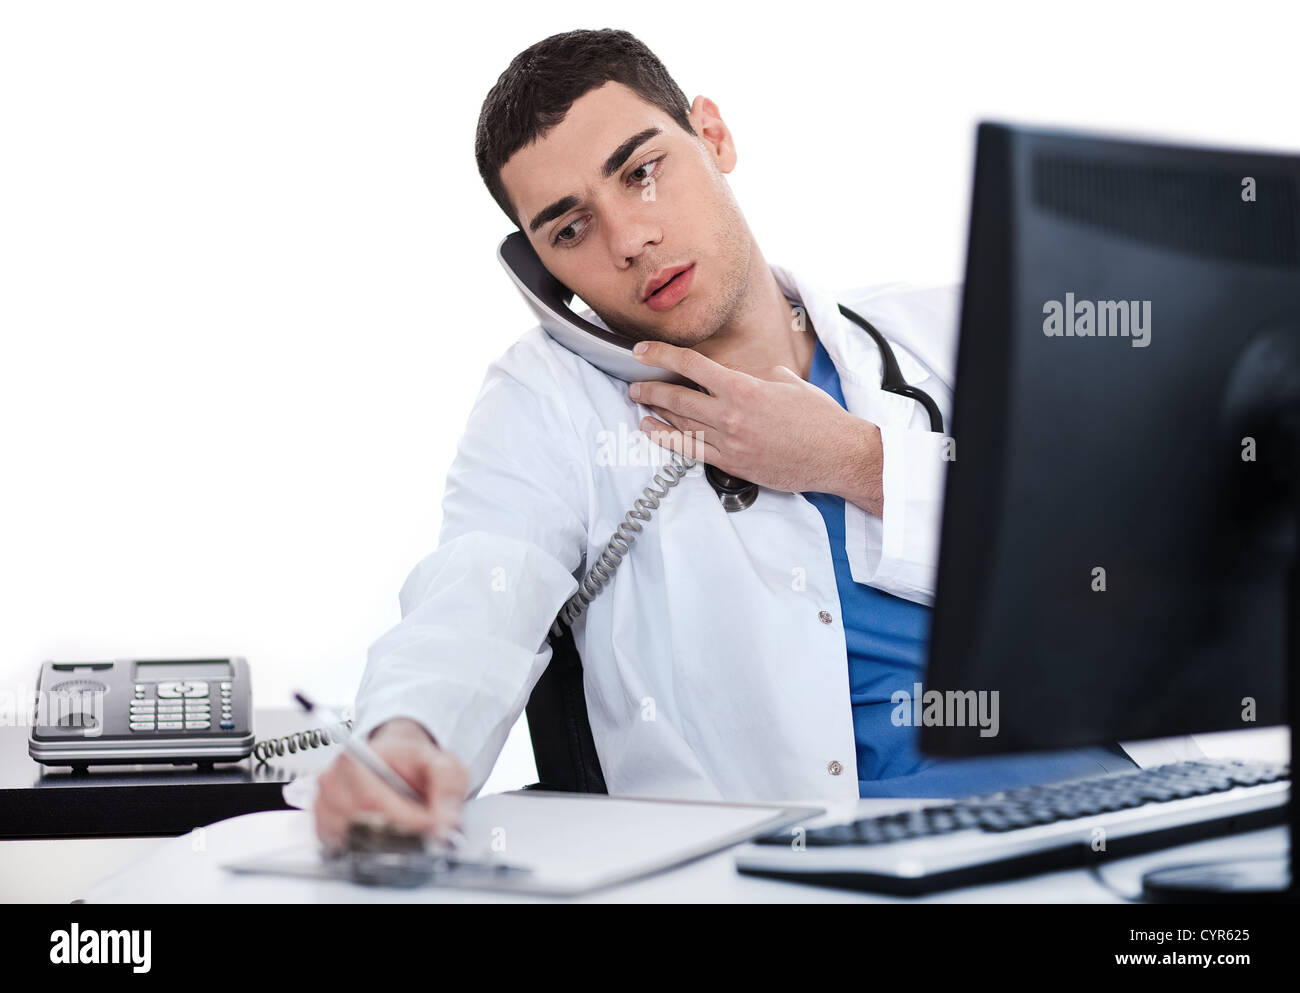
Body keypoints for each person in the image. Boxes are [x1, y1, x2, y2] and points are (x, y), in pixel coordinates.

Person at [313, 28, 1195, 848]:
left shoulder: (950, 331)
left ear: (713, 135)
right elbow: (478, 587)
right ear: (543, 268)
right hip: (841, 865)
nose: (632, 239)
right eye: (571, 228)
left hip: (1126, 823)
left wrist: (854, 462)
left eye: (643, 171)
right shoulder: (553, 401)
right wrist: (407, 735)